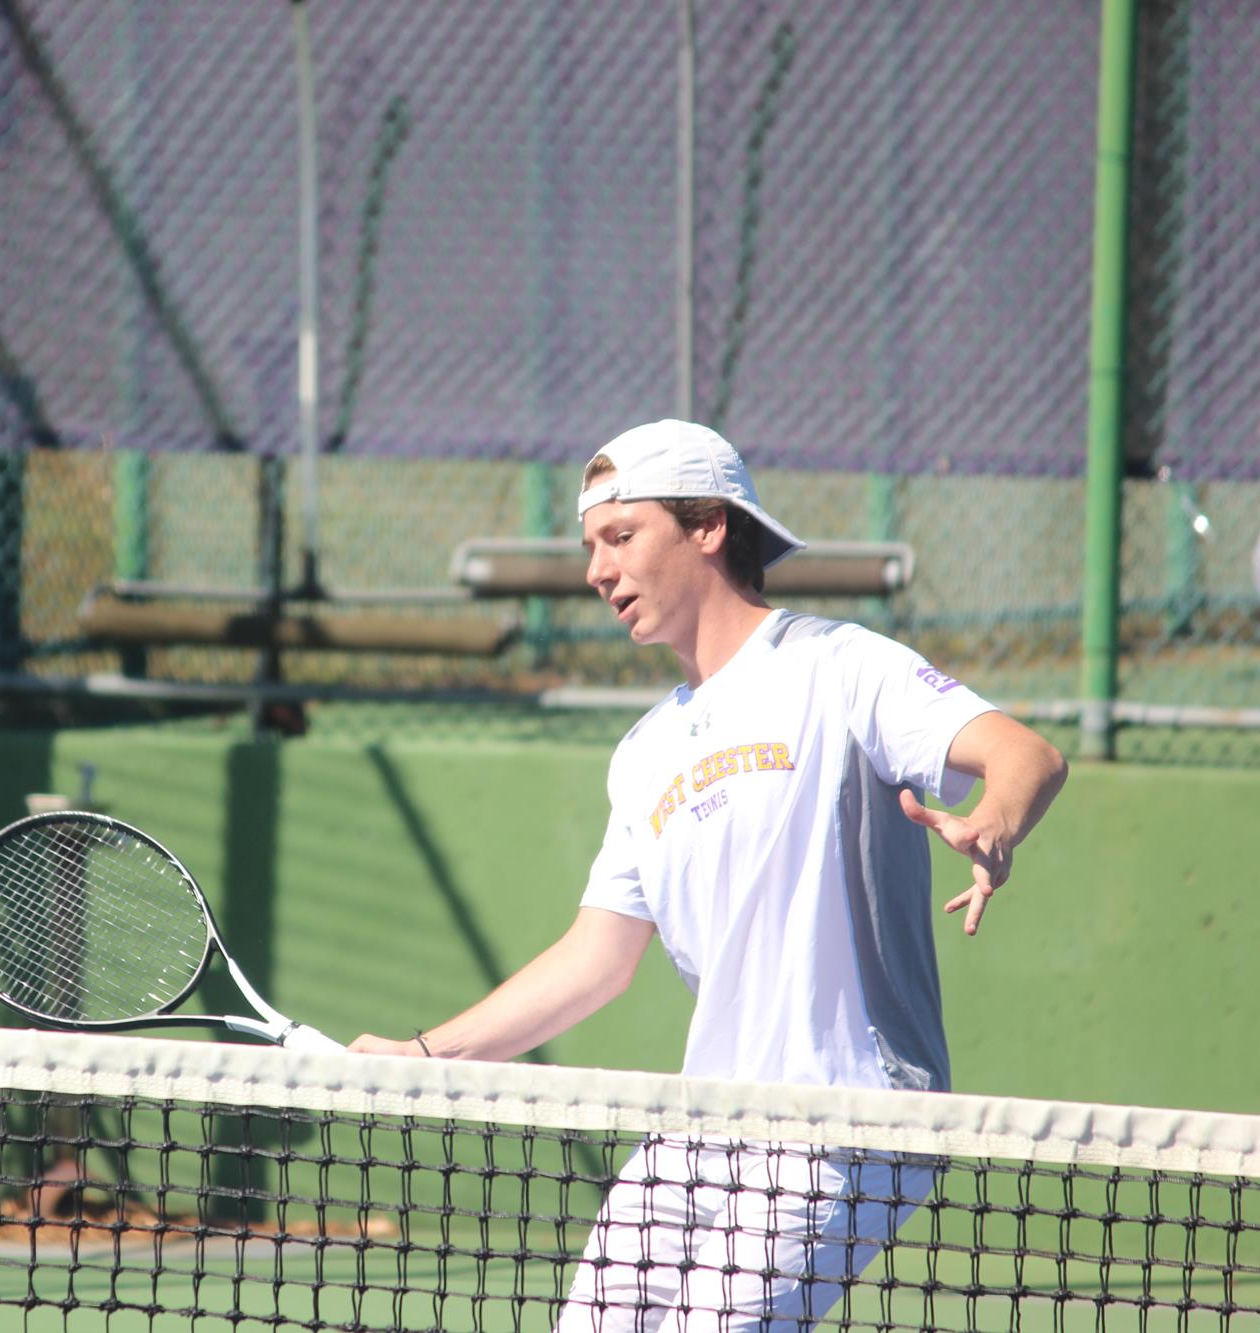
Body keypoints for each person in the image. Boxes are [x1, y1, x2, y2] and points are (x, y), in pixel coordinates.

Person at [349, 420, 1068, 1330]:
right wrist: (427, 1056)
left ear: (709, 527)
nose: (596, 572)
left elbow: (1023, 752)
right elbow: (596, 957)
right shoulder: (643, 754)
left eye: (621, 536)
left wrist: (996, 822)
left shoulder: (839, 668)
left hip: (851, 1114)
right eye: (589, 548)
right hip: (701, 1125)